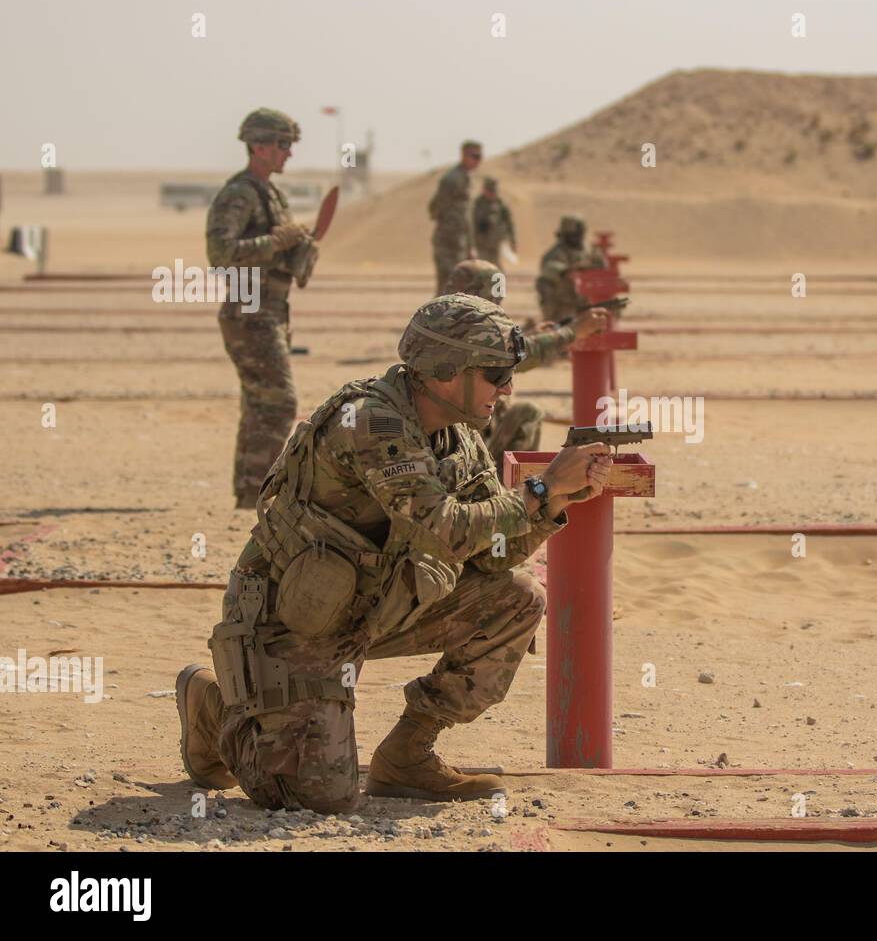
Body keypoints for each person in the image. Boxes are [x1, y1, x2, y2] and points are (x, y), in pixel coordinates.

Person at [175, 294, 612, 810]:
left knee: (515, 599)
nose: (507, 388)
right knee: (317, 798)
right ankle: (215, 704)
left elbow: (490, 556)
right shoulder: (371, 423)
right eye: (495, 373)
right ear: (446, 370)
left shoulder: (458, 439)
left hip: (376, 605)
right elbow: (443, 528)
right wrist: (537, 491)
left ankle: (409, 752)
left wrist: (551, 503)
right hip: (299, 621)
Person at [207, 108, 317, 508]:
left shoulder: (270, 193)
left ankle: (249, 493)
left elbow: (279, 256)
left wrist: (299, 248)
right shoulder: (240, 193)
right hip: (249, 312)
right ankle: (260, 493)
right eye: (283, 145)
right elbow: (220, 253)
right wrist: (275, 243)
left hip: (269, 310)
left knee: (259, 404)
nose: (289, 153)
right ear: (258, 146)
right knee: (279, 402)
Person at [443, 259, 608, 471]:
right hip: (460, 443)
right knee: (528, 414)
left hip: (458, 433)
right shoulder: (468, 326)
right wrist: (573, 332)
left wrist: (529, 336)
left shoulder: (445, 318)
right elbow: (518, 355)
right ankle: (507, 492)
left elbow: (499, 353)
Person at [428, 140, 482, 292]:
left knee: (459, 286)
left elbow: (467, 217)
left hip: (460, 242)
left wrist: (471, 245)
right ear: (464, 156)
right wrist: (448, 225)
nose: (478, 161)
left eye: (480, 156)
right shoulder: (452, 179)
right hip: (448, 242)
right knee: (447, 285)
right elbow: (435, 207)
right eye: (474, 156)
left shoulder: (466, 178)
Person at [535, 214, 607, 323]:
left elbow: (602, 268)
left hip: (585, 303)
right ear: (566, 235)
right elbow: (549, 269)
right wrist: (570, 270)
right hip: (562, 306)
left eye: (580, 234)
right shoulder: (555, 253)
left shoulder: (587, 251)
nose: (578, 238)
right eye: (575, 235)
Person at [471, 177, 516, 266]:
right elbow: (470, 225)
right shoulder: (476, 204)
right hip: (481, 245)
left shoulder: (501, 204)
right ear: (484, 190)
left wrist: (513, 242)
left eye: (493, 192)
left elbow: (510, 225)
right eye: (489, 191)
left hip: (496, 245)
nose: (491, 194)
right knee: (482, 269)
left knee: (496, 271)